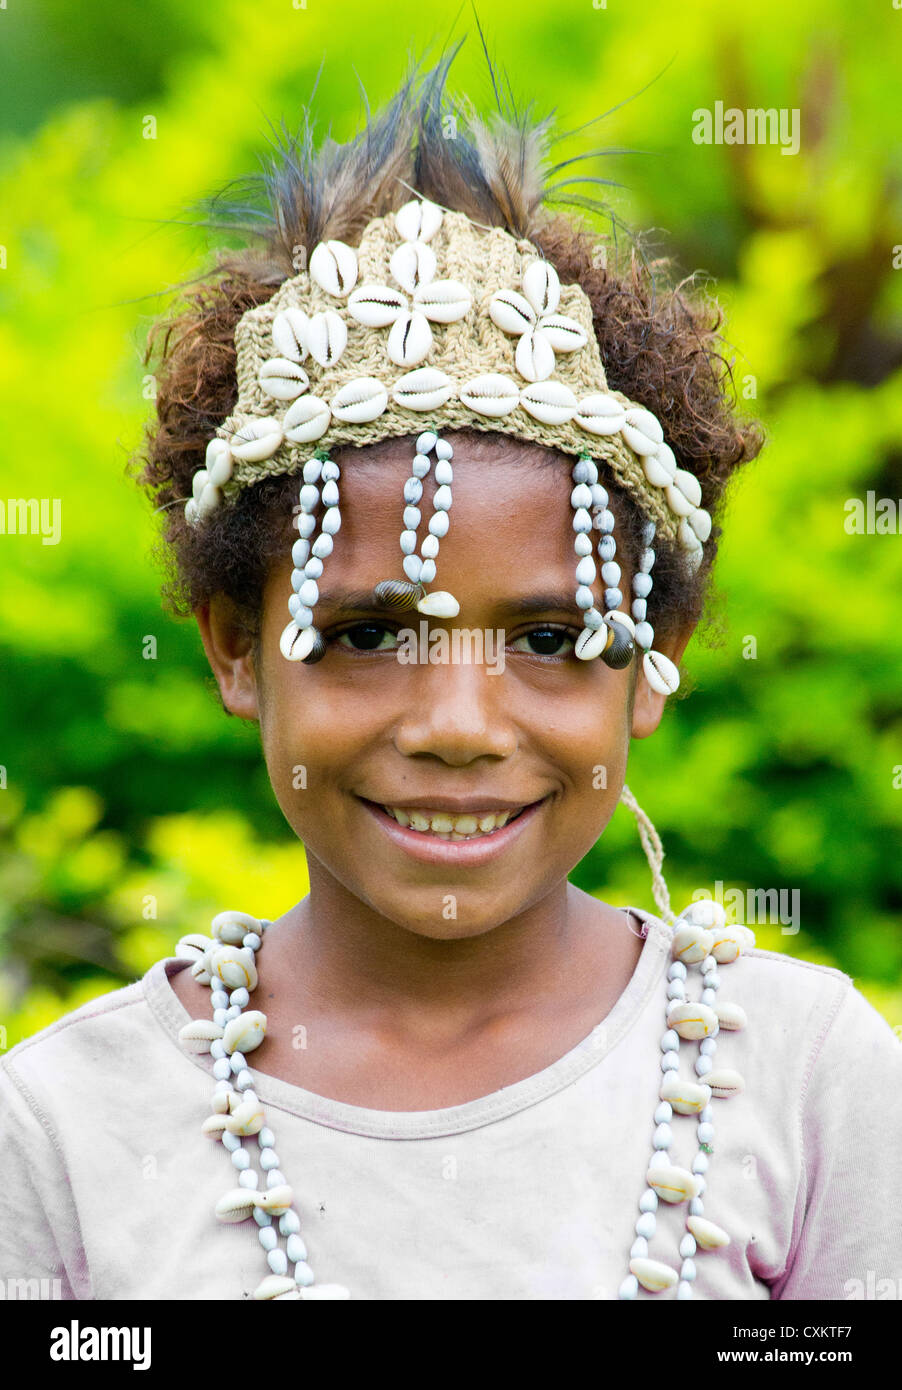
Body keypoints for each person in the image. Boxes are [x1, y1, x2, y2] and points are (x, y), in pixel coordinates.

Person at [2, 46, 900, 1303]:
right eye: (369, 636)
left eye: (549, 641)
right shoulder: (60, 1136)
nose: (459, 725)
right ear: (234, 645)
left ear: (652, 661)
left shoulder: (811, 1087)